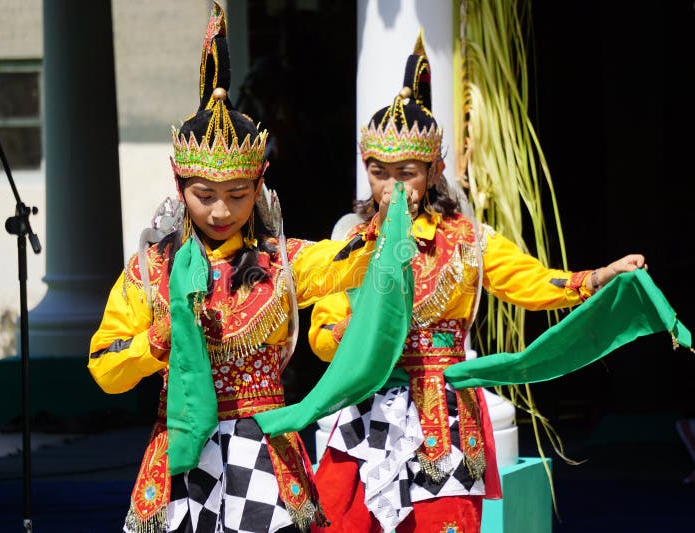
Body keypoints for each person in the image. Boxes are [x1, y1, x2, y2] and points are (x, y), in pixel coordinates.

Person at [87, 4, 415, 532]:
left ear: (258, 186)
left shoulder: (279, 261)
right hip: (180, 456)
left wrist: (385, 222)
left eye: (238, 195)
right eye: (204, 195)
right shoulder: (151, 270)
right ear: (179, 186)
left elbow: (344, 264)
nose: (221, 211)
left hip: (262, 449)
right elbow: (104, 365)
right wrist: (156, 341)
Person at [307, 34, 647, 533]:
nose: (390, 186)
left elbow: (530, 282)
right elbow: (321, 333)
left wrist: (596, 277)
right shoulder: (350, 245)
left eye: (406, 172)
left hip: (444, 413)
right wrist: (347, 334)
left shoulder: (469, 242)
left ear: (435, 170)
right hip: (368, 406)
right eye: (379, 172)